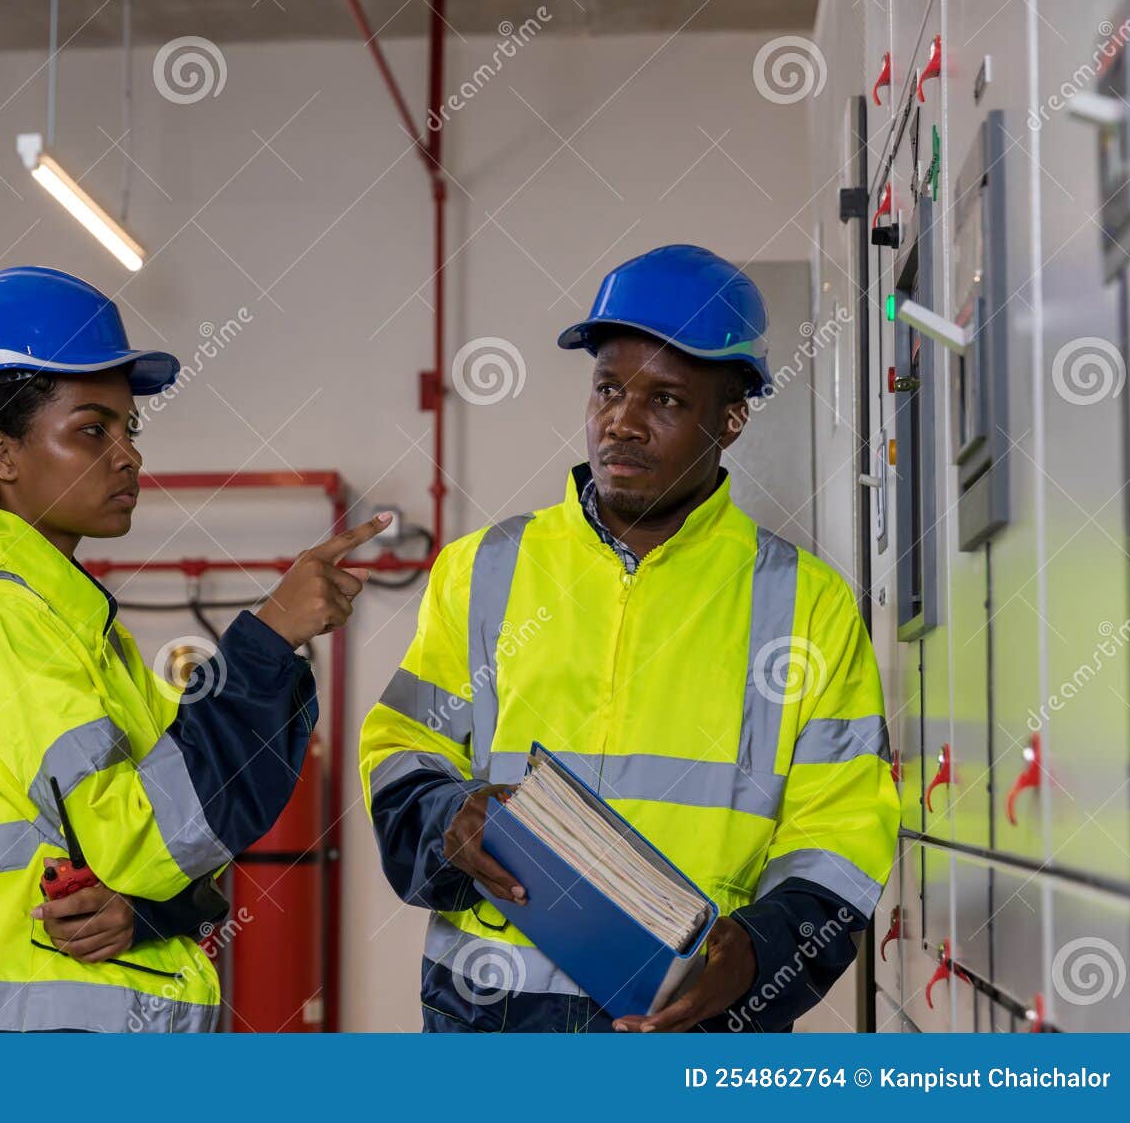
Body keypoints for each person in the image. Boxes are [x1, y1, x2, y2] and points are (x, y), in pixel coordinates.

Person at [359, 244, 899, 1033]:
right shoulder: (481, 570)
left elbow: (842, 835)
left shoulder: (809, 607)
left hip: (695, 1029)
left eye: (668, 400)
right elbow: (401, 748)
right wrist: (448, 813)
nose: (622, 420)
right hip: (489, 1022)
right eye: (608, 388)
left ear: (733, 417)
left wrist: (752, 955)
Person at [0, 266, 388, 1032]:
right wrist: (268, 636)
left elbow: (185, 831)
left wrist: (142, 907)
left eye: (128, 430)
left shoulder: (73, 624)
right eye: (91, 430)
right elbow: (144, 835)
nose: (128, 456)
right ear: (1, 453)